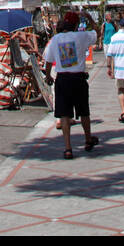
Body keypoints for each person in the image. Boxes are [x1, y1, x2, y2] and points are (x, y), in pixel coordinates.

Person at [42, 13, 100, 159]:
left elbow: (48, 61)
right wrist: (90, 18)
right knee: (84, 111)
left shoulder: (55, 39)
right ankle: (88, 139)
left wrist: (48, 76)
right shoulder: (81, 36)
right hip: (78, 78)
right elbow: (97, 32)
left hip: (62, 79)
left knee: (64, 115)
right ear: (75, 25)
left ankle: (68, 147)